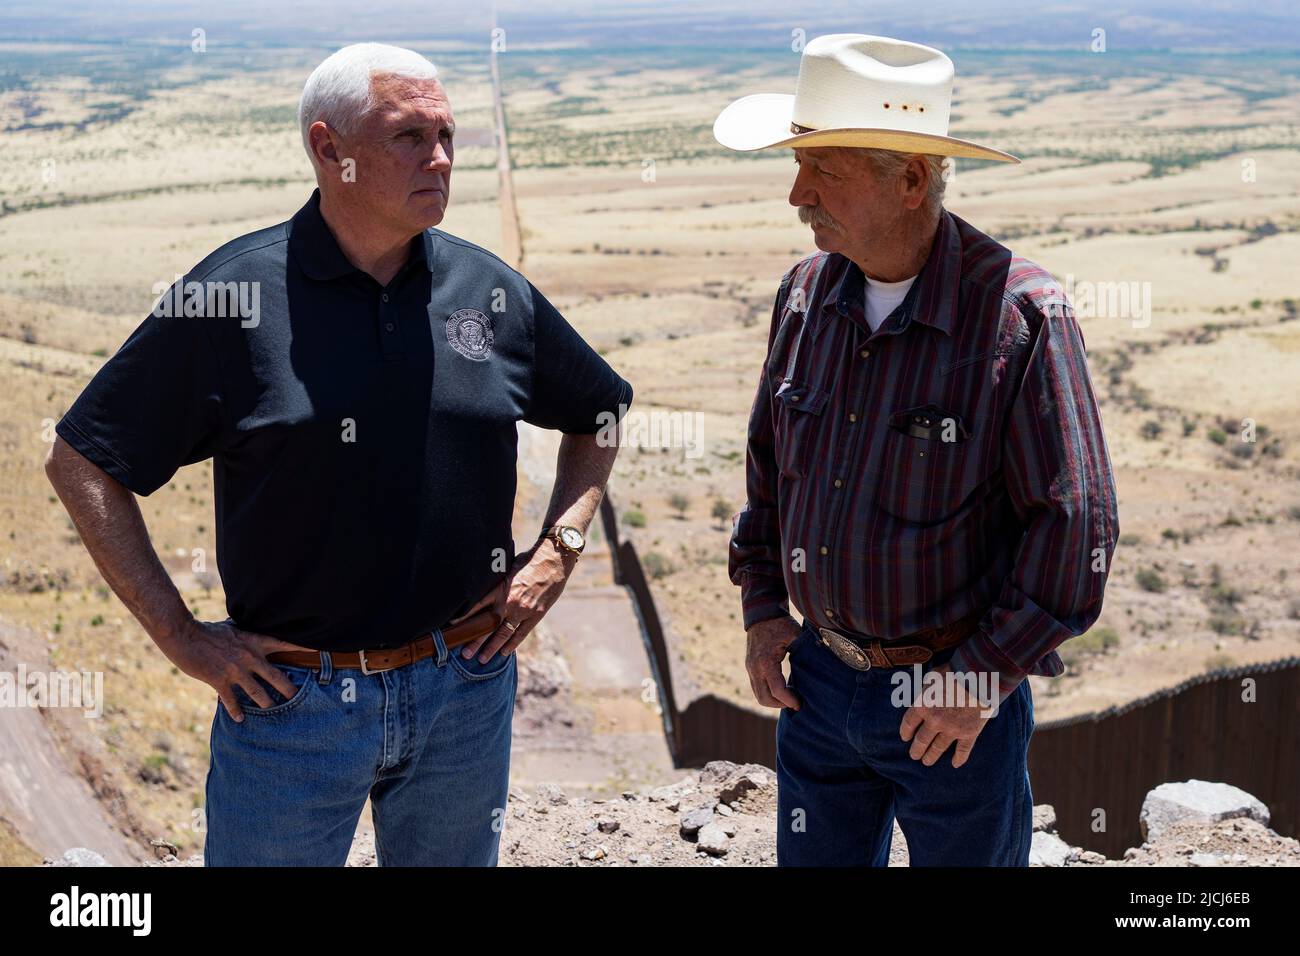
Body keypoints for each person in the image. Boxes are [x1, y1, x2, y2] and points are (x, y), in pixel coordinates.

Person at [44, 42, 633, 866]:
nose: (440, 158)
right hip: (291, 704)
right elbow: (81, 461)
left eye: (448, 136)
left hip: (463, 685)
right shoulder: (234, 297)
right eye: (409, 137)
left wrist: (558, 554)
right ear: (330, 149)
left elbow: (600, 412)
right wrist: (181, 637)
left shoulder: (486, 291)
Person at [717, 33, 1119, 866]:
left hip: (952, 705)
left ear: (908, 180)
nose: (797, 193)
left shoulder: (1018, 317)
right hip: (818, 688)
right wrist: (762, 612)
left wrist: (980, 678)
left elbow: (1076, 527)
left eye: (822, 169)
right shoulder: (803, 296)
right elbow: (768, 475)